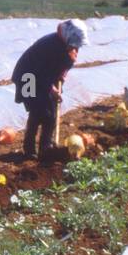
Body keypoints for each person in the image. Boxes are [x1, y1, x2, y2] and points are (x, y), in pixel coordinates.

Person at [12, 19, 89, 159]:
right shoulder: (51, 46)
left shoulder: (70, 45)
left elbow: (66, 64)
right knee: (37, 111)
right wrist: (51, 88)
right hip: (26, 77)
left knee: (51, 113)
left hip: (43, 77)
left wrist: (62, 75)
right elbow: (40, 71)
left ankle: (46, 148)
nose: (76, 47)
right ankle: (29, 150)